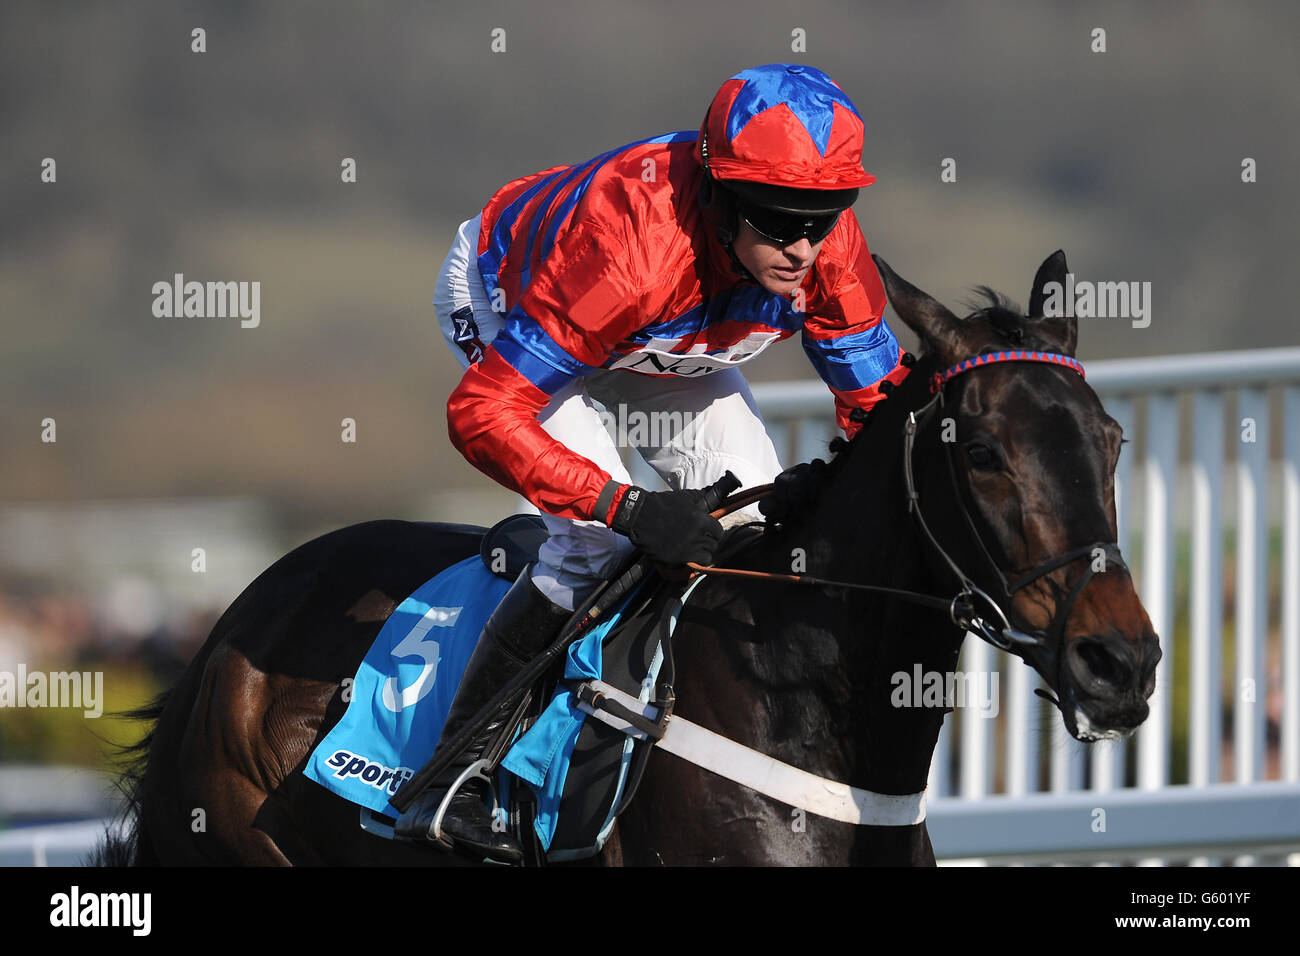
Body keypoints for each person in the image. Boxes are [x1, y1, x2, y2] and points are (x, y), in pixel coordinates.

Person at [396, 63, 911, 860]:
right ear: (718, 194)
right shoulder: (630, 249)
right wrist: (626, 507)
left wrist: (840, 485)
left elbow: (878, 410)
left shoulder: (825, 246)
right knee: (593, 543)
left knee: (742, 524)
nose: (804, 247)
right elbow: (481, 413)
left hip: (670, 344)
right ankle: (456, 770)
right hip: (519, 297)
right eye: (778, 222)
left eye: (825, 216)